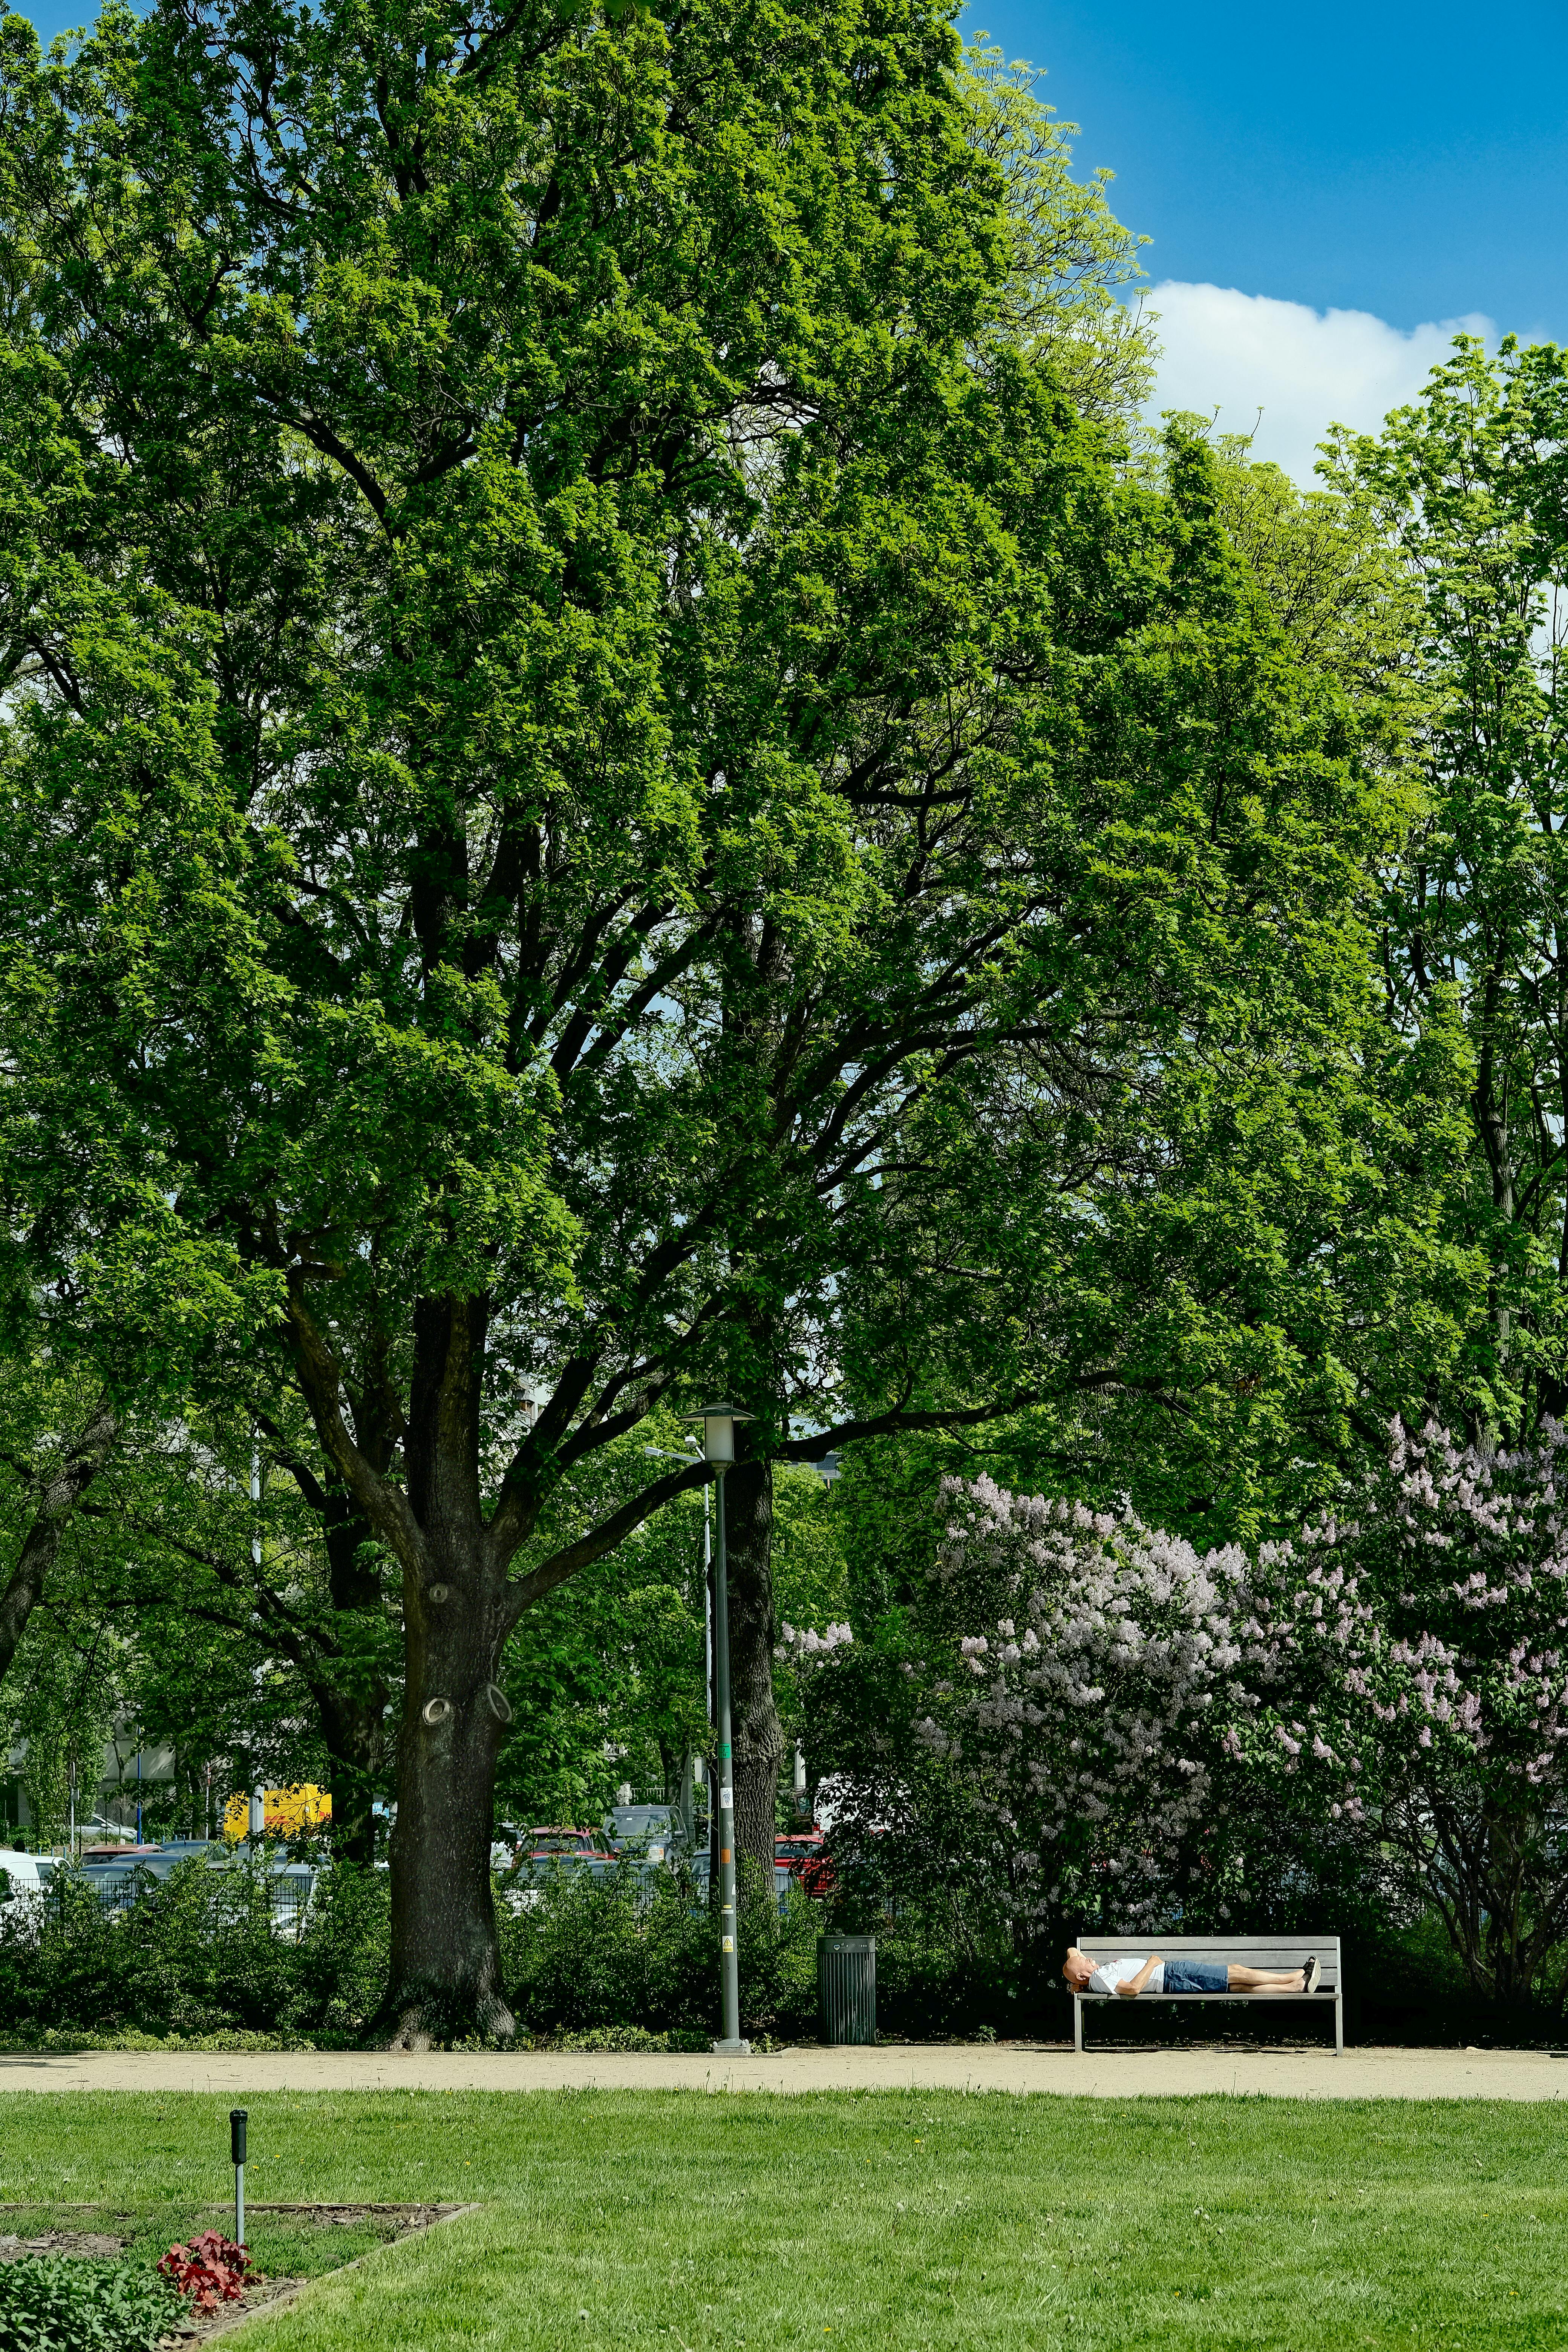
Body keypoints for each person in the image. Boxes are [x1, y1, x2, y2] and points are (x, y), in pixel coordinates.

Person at [1062, 1948, 1320, 1997]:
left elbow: (1072, 1951)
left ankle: (1295, 1988)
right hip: (1171, 1975)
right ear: (1084, 1976)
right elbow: (1133, 1990)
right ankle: (1295, 1976)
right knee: (1236, 1972)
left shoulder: (1092, 1976)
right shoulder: (1099, 1977)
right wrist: (1152, 1963)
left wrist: (1077, 1984)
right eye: (1085, 1961)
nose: (1088, 1958)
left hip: (1172, 1978)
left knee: (1237, 1986)